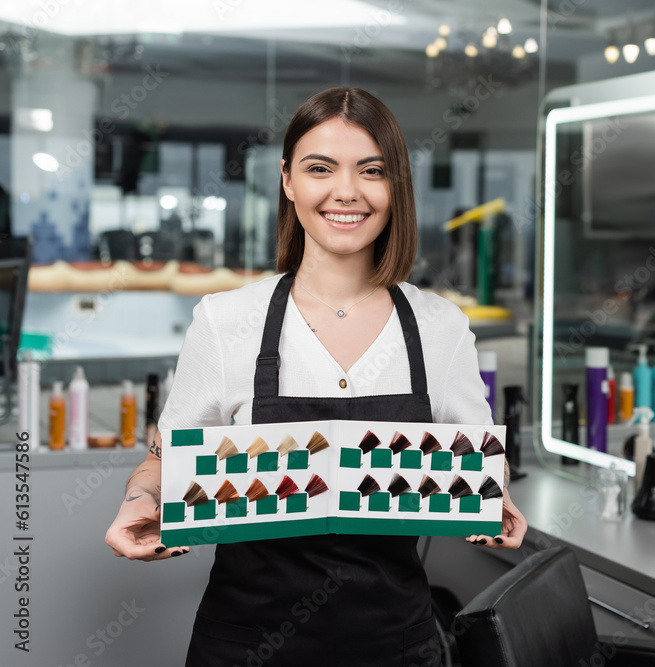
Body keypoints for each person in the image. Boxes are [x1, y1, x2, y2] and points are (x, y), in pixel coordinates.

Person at [104, 86, 527, 666]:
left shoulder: (439, 327)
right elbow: (165, 460)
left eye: (371, 170)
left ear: (395, 185)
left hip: (396, 646)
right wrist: (140, 498)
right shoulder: (226, 322)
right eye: (320, 168)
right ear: (287, 181)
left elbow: (481, 460)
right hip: (245, 647)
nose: (346, 191)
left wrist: (497, 496)